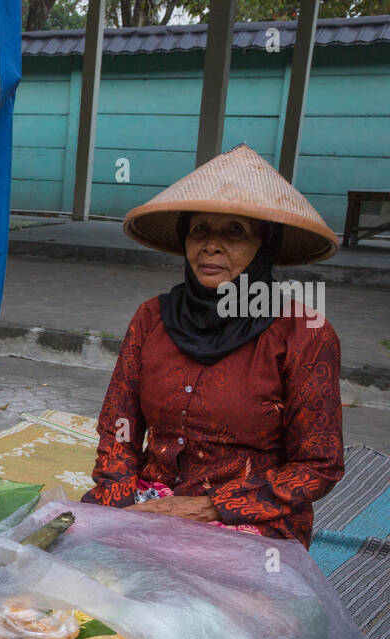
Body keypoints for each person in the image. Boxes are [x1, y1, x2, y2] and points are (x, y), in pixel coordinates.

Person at [82, 144, 345, 548]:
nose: (211, 245)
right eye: (200, 229)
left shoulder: (304, 332)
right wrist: (121, 501)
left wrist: (206, 508)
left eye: (235, 231)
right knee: (76, 573)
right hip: (151, 498)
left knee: (210, 601)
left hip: (248, 514)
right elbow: (120, 429)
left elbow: (318, 465)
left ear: (265, 246)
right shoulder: (152, 317)